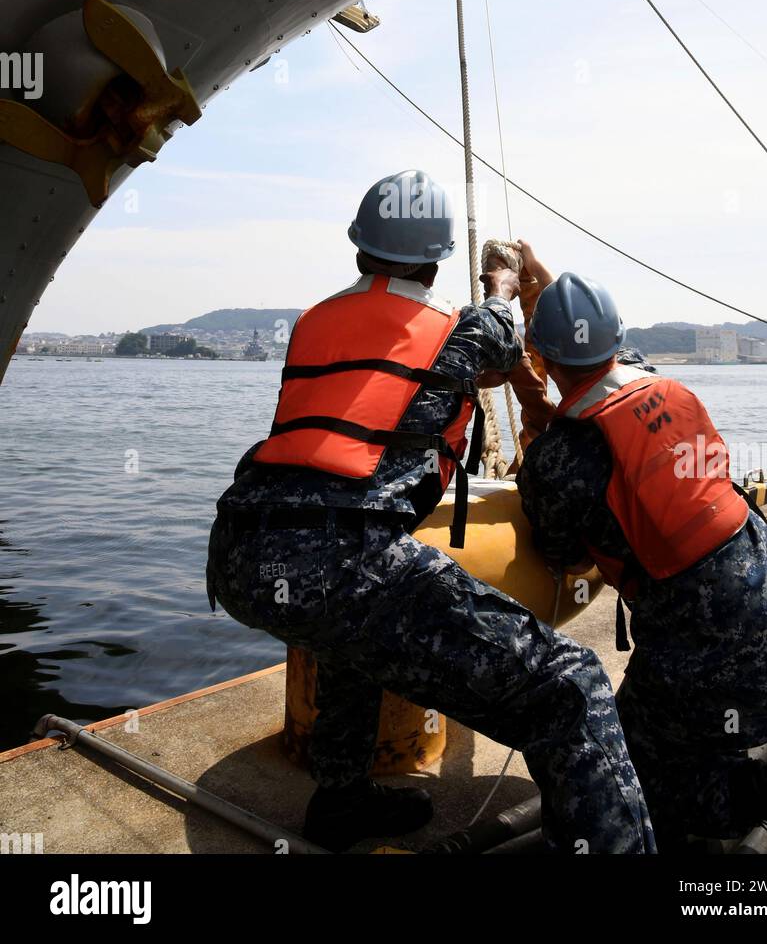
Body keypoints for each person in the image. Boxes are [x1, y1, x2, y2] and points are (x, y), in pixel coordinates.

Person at [206, 170, 655, 854]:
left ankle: (341, 801)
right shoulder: (455, 327)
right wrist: (505, 278)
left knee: (350, 642)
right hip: (346, 557)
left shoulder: (313, 323)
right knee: (570, 686)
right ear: (437, 257)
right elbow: (504, 338)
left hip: (240, 553)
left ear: (358, 249)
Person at [514, 260, 767, 851]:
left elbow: (564, 556)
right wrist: (543, 289)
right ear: (621, 342)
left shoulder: (558, 461)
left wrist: (535, 448)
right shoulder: (659, 385)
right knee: (677, 735)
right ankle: (715, 767)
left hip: (710, 658)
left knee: (614, 776)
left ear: (542, 361)